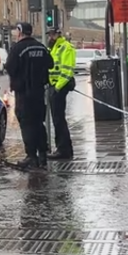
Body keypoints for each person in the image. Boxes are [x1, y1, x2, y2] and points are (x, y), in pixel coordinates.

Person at [4, 22, 53, 170]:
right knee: (39, 124)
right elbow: (50, 64)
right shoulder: (41, 47)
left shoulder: (17, 48)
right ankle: (43, 155)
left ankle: (31, 157)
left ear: (20, 32)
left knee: (27, 124)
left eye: (16, 31)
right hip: (39, 92)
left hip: (24, 93)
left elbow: (10, 68)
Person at [46, 28, 76, 160]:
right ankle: (64, 149)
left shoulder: (65, 47)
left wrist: (57, 87)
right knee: (57, 119)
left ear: (58, 34)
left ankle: (63, 150)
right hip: (54, 86)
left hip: (59, 87)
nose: (50, 37)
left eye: (53, 34)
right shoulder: (54, 47)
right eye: (50, 35)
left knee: (58, 120)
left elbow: (67, 71)